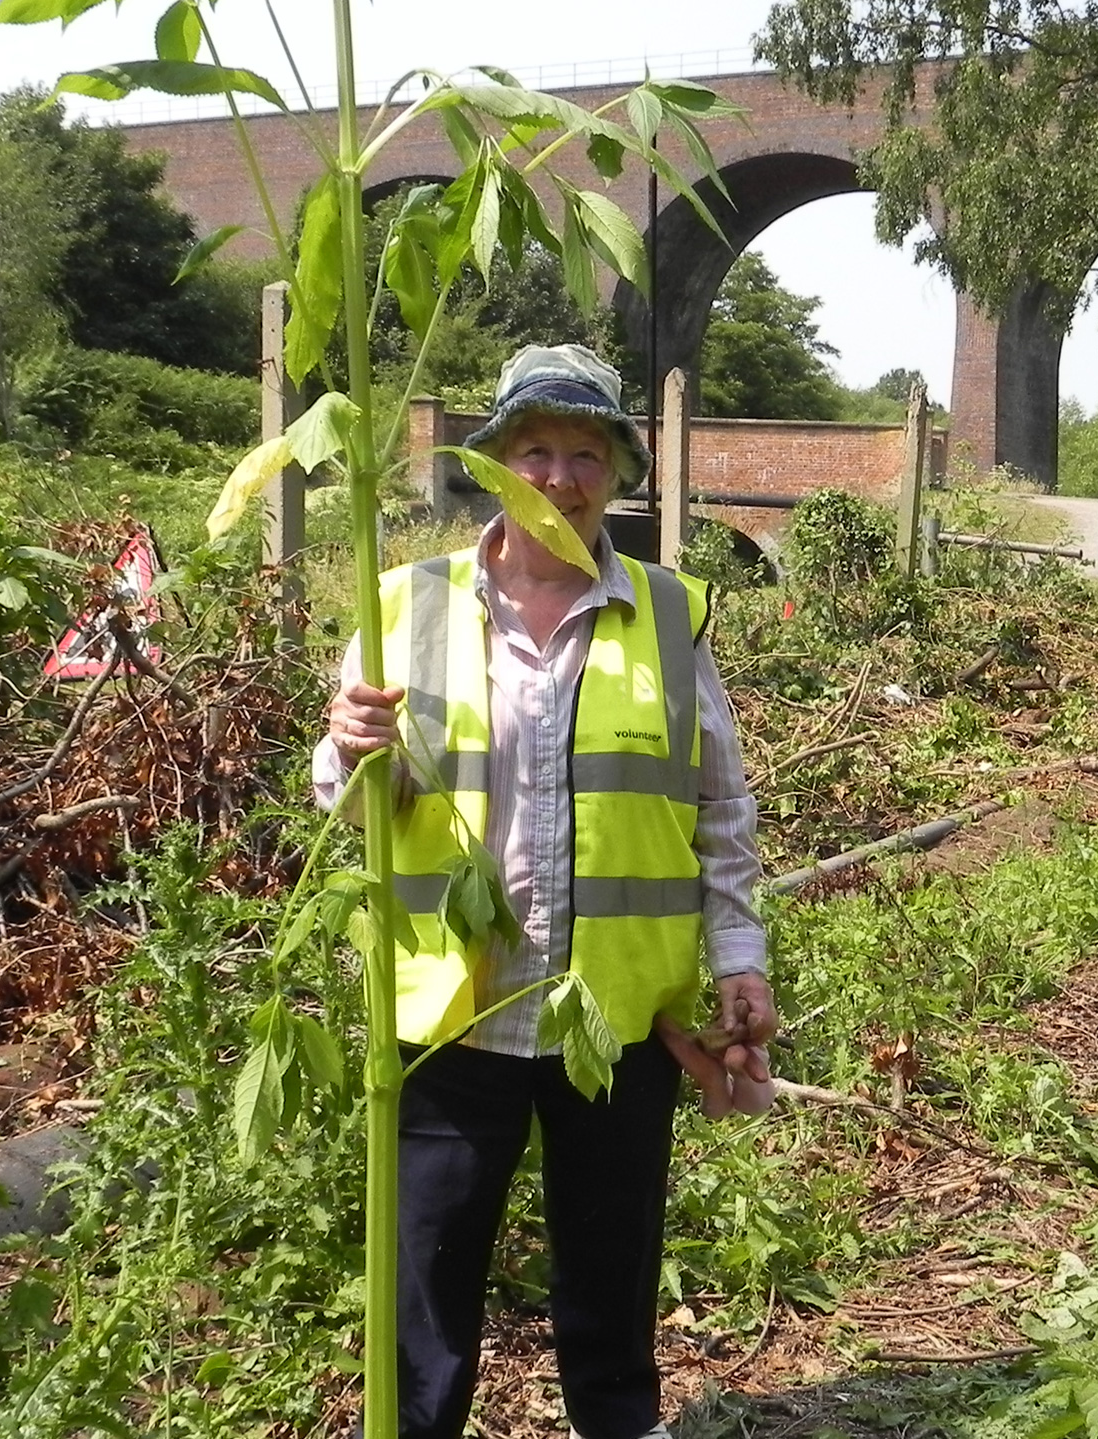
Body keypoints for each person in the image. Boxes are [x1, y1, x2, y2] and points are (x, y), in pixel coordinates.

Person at [317, 343, 777, 1439]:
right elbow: (340, 795)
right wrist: (348, 746)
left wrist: (740, 953)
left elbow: (720, 810)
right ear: (494, 465)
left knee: (611, 1266)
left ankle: (618, 1424)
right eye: (535, 450)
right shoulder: (405, 603)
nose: (560, 476)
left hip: (614, 1014)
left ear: (616, 472)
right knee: (425, 1279)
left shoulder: (668, 616)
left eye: (585, 452)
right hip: (450, 1013)